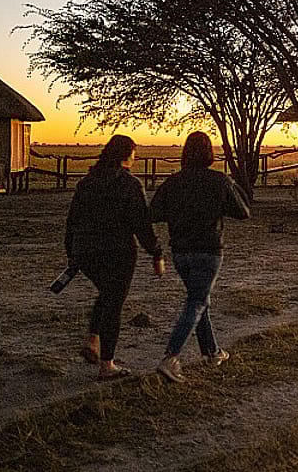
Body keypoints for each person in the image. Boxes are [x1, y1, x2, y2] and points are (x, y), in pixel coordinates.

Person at [150, 131, 250, 382]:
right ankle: (170, 357)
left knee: (199, 299)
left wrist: (178, 214)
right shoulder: (219, 181)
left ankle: (212, 352)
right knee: (197, 301)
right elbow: (243, 212)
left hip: (181, 252)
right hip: (208, 250)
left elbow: (153, 213)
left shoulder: (172, 182)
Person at [64, 134, 165, 380]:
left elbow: (72, 220)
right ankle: (107, 364)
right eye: (134, 152)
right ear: (125, 155)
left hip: (85, 251)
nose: (136, 157)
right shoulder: (129, 185)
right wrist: (156, 252)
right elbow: (141, 224)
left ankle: (92, 340)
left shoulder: (87, 182)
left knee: (107, 294)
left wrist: (72, 254)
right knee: (113, 304)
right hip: (117, 252)